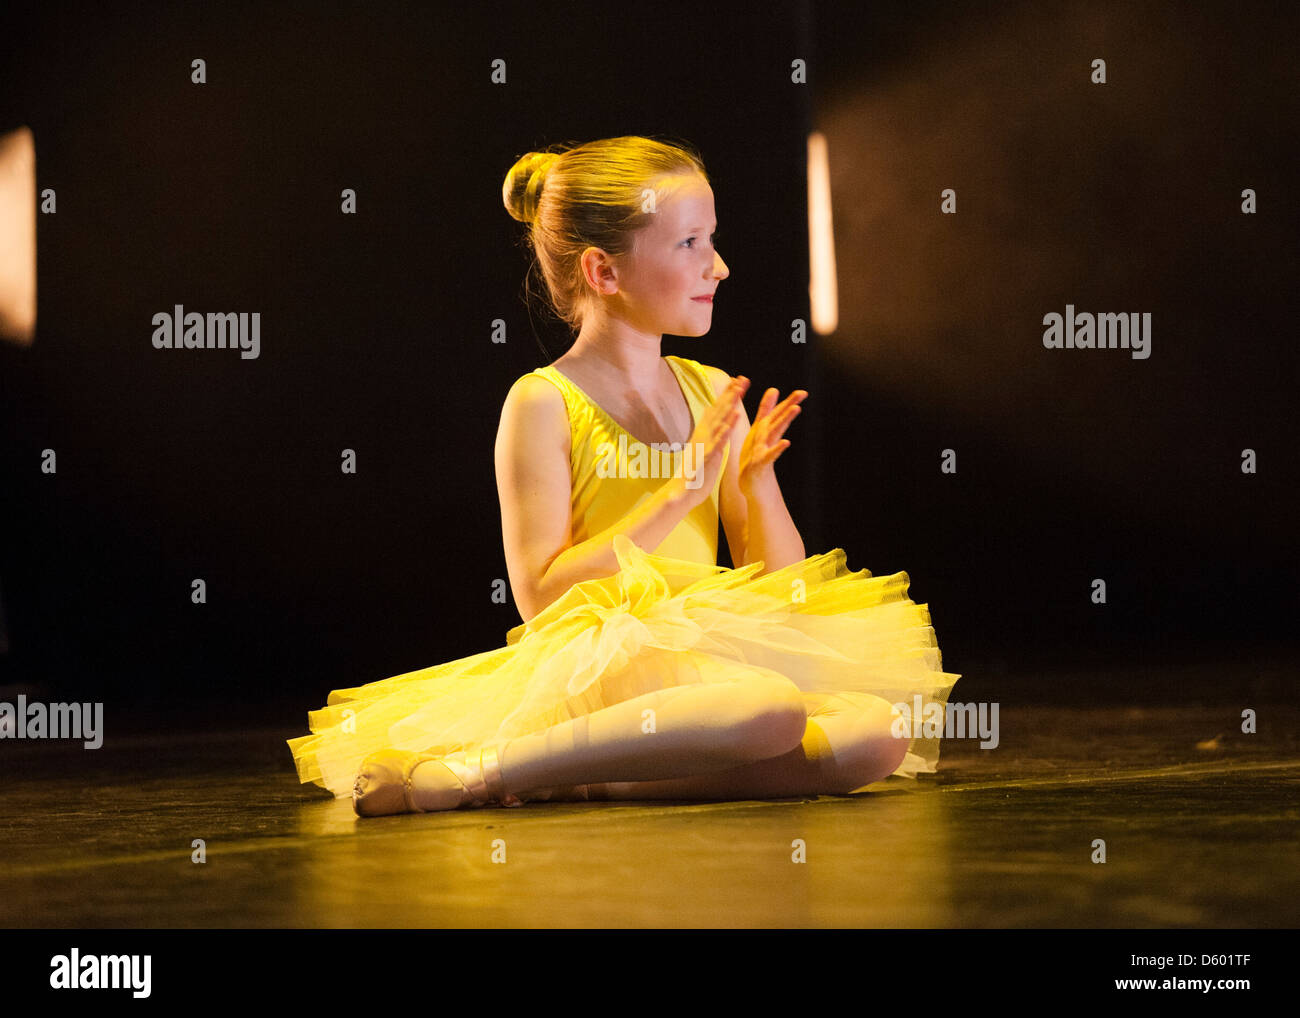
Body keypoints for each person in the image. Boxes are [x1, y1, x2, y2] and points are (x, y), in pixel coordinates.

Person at [286, 135, 960, 817]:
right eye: (690, 244)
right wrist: (679, 494)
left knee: (878, 733)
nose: (719, 267)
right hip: (599, 665)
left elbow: (785, 597)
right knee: (768, 708)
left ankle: (582, 778)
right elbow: (542, 598)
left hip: (708, 667)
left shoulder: (711, 391)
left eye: (712, 240)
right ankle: (481, 771)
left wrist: (754, 488)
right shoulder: (543, 402)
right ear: (604, 272)